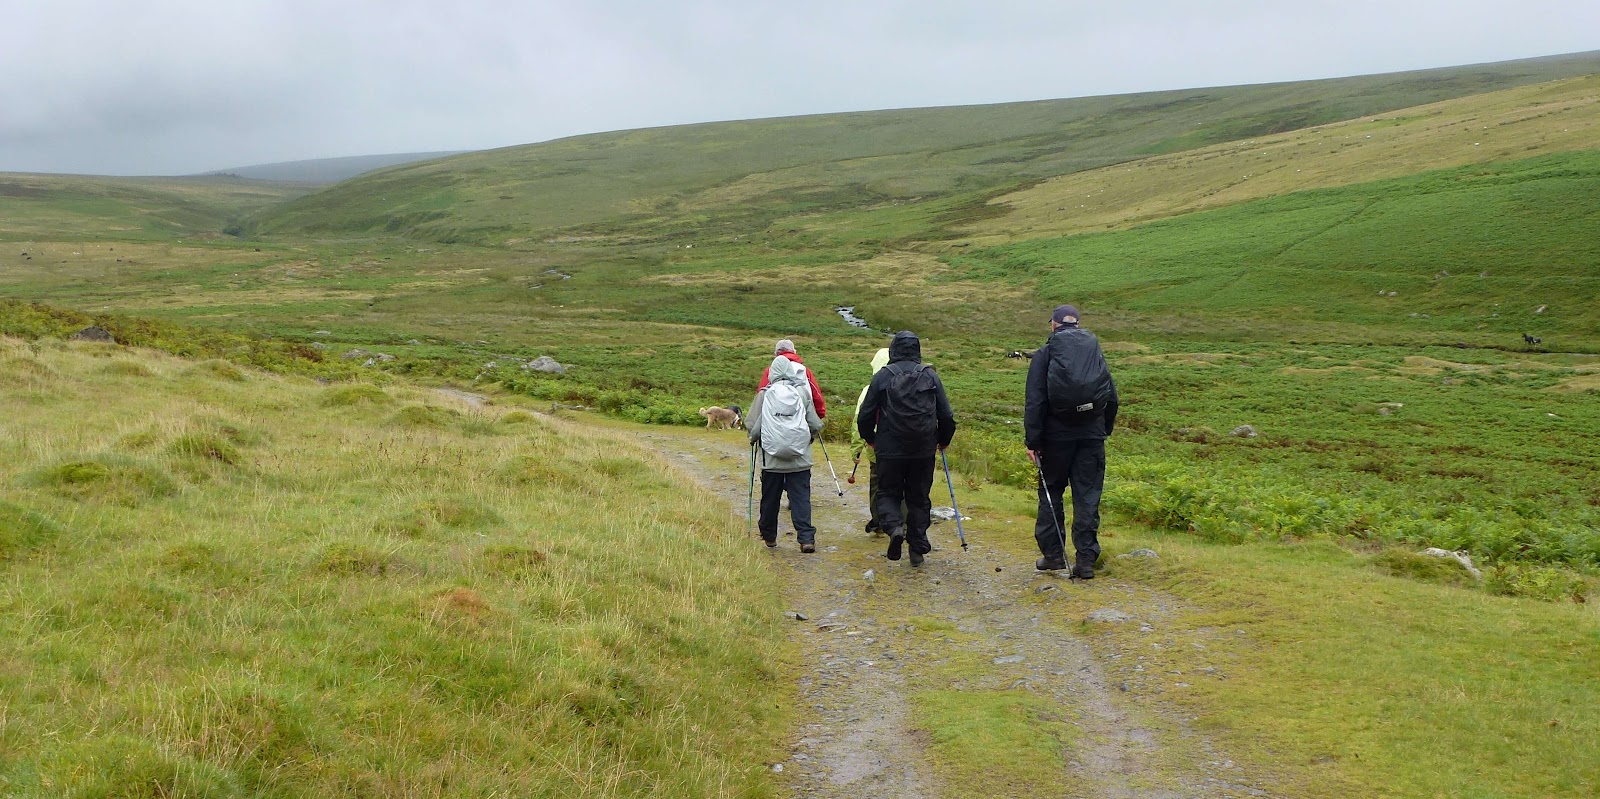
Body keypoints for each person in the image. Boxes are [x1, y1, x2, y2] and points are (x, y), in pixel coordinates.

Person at [1025, 304, 1118, 579]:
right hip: (1091, 437)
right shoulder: (1093, 351)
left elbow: (1035, 401)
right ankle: (1086, 561)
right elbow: (1111, 397)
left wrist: (1033, 441)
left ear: (1053, 324)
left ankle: (1053, 556)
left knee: (1051, 492)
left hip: (1055, 440)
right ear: (1078, 323)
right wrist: (1103, 429)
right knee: (1087, 497)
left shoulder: (1045, 353)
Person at [856, 331, 956, 567]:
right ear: (917, 350)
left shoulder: (882, 377)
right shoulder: (930, 376)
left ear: (893, 349)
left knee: (888, 492)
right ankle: (917, 546)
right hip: (922, 449)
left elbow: (865, 415)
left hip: (889, 449)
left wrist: (870, 439)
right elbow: (947, 415)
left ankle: (894, 529)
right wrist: (943, 440)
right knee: (918, 497)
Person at [747, 354, 826, 552]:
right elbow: (816, 424)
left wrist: (754, 438)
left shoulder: (764, 394)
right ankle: (806, 539)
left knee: (770, 499)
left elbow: (752, 426)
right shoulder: (801, 393)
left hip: (771, 461)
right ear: (791, 372)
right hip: (800, 460)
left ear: (772, 373)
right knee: (800, 499)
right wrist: (807, 437)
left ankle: (769, 536)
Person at [849, 347, 892, 534]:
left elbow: (859, 421)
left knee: (878, 484)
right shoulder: (908, 385)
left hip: (876, 446)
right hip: (905, 446)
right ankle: (901, 522)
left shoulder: (869, 390)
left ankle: (879, 520)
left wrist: (857, 449)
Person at [759, 339, 827, 419]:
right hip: (802, 417)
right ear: (794, 352)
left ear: (776, 353)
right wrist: (819, 414)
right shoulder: (804, 370)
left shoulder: (771, 370)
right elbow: (816, 394)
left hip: (775, 417)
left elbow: (761, 394)